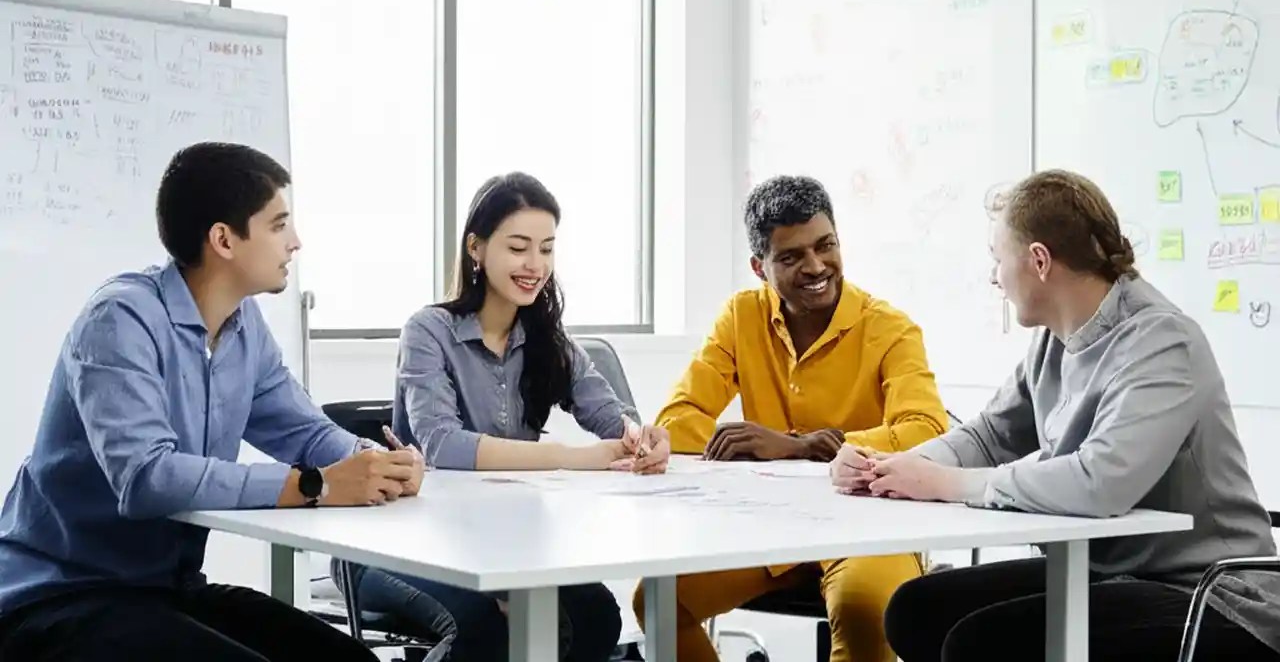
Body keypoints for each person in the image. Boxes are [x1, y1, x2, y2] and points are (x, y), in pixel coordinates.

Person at [0, 142, 425, 662]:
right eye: (277, 225)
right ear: (223, 239)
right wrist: (316, 484)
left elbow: (305, 432)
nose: (295, 242)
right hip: (60, 593)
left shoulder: (244, 327)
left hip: (164, 589)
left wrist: (375, 461)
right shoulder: (120, 320)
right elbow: (145, 478)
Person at [832, 169, 1280, 661]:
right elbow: (988, 436)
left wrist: (946, 483)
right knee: (916, 610)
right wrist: (887, 471)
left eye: (997, 259)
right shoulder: (1054, 340)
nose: (993, 277)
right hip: (1103, 571)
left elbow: (1101, 482)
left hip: (1211, 595)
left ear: (1039, 261)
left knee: (978, 645)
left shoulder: (1163, 342)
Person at [338, 171, 670, 662]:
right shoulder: (429, 331)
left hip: (508, 551)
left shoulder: (548, 340)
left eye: (547, 249)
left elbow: (612, 416)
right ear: (477, 248)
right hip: (402, 547)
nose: (535, 265)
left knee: (596, 614)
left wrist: (643, 439)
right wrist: (572, 458)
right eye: (518, 248)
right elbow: (444, 447)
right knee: (486, 628)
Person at [633, 175, 949, 662]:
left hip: (869, 526)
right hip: (770, 527)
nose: (816, 266)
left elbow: (926, 430)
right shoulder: (741, 317)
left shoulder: (890, 328)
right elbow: (677, 420)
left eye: (826, 246)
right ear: (760, 267)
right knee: (657, 600)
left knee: (867, 612)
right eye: (791, 257)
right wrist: (747, 444)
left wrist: (797, 446)